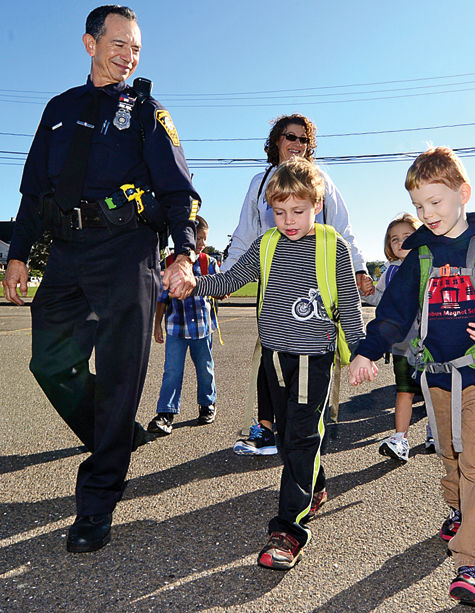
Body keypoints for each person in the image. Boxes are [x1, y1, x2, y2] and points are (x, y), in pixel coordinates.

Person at [2, 5, 200, 553]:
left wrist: (182, 253)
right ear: (89, 44)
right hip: (66, 254)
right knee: (49, 361)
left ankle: (98, 497)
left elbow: (179, 192)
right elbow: (32, 195)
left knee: (118, 377)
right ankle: (115, 437)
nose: (128, 56)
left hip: (125, 253)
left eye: (135, 48)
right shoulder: (59, 109)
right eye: (118, 44)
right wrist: (17, 256)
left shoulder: (146, 112)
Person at [348, 147, 475, 608]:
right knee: (451, 454)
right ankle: (459, 511)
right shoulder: (419, 258)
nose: (427, 214)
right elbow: (393, 315)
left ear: (463, 194)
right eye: (419, 206)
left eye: (435, 202)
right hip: (436, 378)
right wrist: (366, 352)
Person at [187, 157, 364, 570]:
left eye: (297, 211)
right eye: (279, 211)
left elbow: (349, 304)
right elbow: (230, 279)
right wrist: (196, 284)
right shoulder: (266, 244)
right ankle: (315, 484)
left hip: (313, 360)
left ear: (316, 205)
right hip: (274, 358)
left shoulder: (331, 245)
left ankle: (289, 529)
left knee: (302, 438)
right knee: (286, 436)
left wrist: (359, 351)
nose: (288, 220)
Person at [229, 114, 372, 468]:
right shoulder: (260, 181)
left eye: (303, 139)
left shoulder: (321, 181)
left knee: (315, 356)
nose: (297, 144)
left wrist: (358, 269)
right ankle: (265, 427)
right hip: (273, 277)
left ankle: (312, 424)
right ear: (276, 140)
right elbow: (244, 235)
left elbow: (343, 229)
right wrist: (225, 278)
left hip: (314, 282)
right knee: (269, 354)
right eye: (290, 136)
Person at [371, 213, 434, 462]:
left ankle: (435, 433)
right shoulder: (389, 272)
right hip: (403, 345)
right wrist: (367, 292)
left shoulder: (431, 264)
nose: (401, 243)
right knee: (404, 391)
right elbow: (380, 302)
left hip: (431, 343)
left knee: (433, 391)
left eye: (408, 236)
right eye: (394, 239)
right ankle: (400, 438)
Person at [147, 216, 218, 436]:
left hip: (201, 329)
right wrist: (157, 325)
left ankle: (207, 403)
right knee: (172, 371)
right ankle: (166, 413)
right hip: (176, 328)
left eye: (204, 239)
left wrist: (222, 291)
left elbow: (221, 287)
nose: (201, 244)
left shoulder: (209, 263)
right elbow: (161, 298)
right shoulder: (168, 264)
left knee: (205, 369)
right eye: (198, 238)